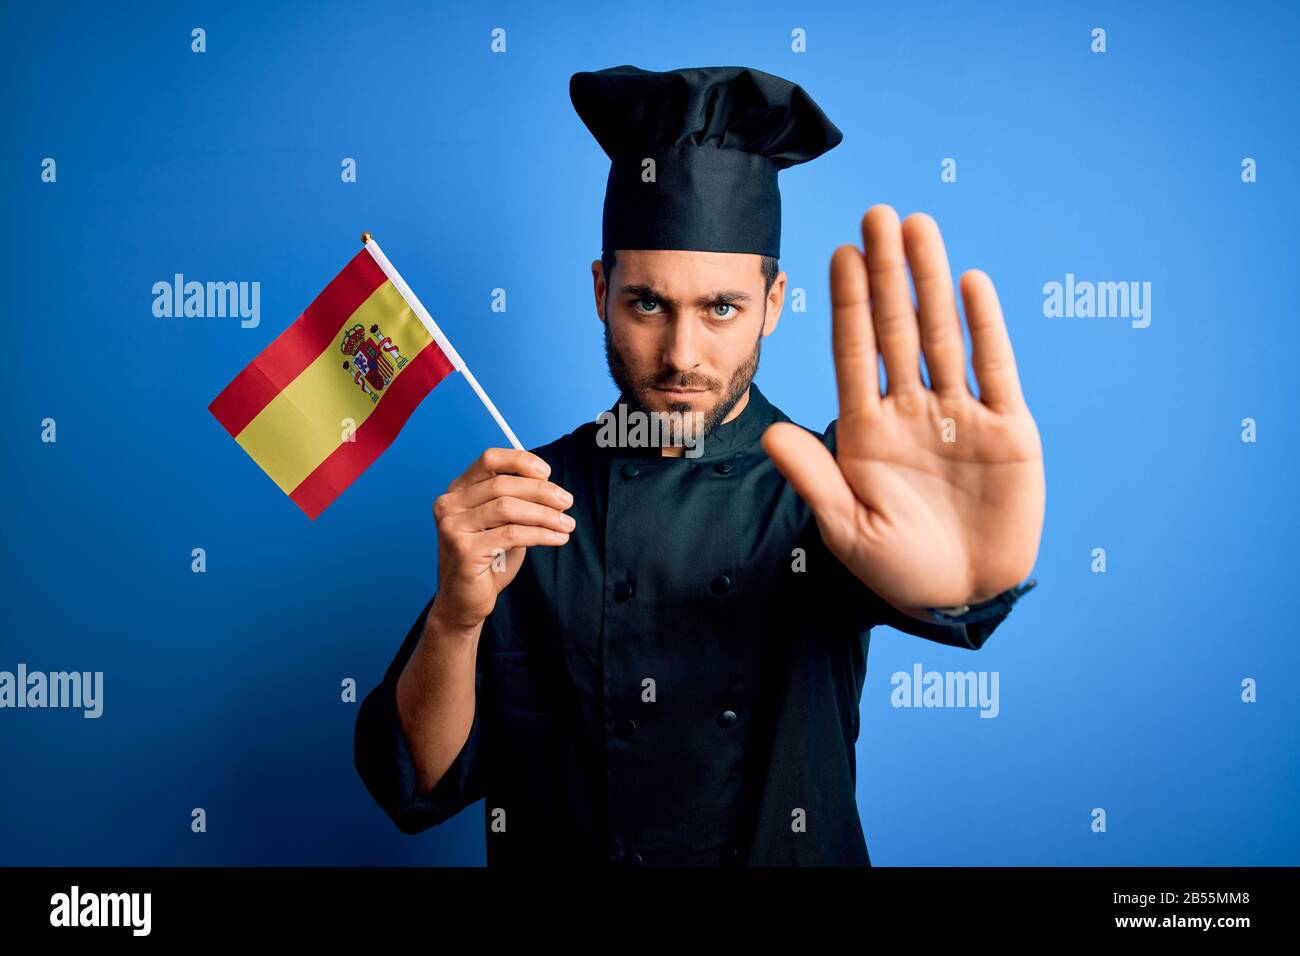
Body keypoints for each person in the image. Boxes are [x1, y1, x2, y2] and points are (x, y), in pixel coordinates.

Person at [353, 64, 1045, 866]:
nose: (682, 356)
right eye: (648, 303)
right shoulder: (525, 501)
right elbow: (418, 785)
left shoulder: (836, 490)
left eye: (722, 308)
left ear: (774, 302)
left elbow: (931, 585)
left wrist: (969, 584)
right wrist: (456, 618)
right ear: (601, 290)